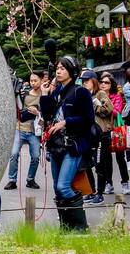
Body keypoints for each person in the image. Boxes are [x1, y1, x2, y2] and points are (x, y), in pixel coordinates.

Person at [38, 57, 94, 231]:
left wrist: (66, 122)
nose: (59, 71)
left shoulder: (80, 92)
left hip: (73, 145)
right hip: (56, 146)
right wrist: (45, 95)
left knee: (63, 186)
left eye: (63, 68)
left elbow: (88, 119)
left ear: (72, 71)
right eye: (58, 68)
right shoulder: (56, 92)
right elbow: (47, 116)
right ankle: (66, 227)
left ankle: (80, 226)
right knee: (57, 188)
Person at [5, 72, 43, 190]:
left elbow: (48, 112)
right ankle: (12, 180)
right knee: (14, 153)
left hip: (34, 131)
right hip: (20, 128)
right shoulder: (24, 93)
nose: (33, 83)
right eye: (31, 80)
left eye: (35, 80)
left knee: (36, 156)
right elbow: (18, 108)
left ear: (41, 80)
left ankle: (30, 179)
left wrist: (38, 113)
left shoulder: (45, 94)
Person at [83, 70, 114, 207]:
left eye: (87, 80)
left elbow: (108, 109)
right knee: (88, 164)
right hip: (88, 134)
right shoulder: (84, 95)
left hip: (101, 134)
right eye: (83, 81)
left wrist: (94, 102)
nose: (84, 83)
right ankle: (91, 191)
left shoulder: (100, 94)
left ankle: (100, 194)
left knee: (100, 165)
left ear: (93, 81)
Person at [102, 74, 130, 196]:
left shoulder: (116, 96)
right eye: (102, 82)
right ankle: (109, 183)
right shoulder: (98, 96)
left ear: (111, 85)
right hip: (104, 130)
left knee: (120, 157)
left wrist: (106, 107)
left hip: (116, 129)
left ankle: (125, 182)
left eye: (106, 82)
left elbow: (117, 111)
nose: (103, 84)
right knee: (106, 159)